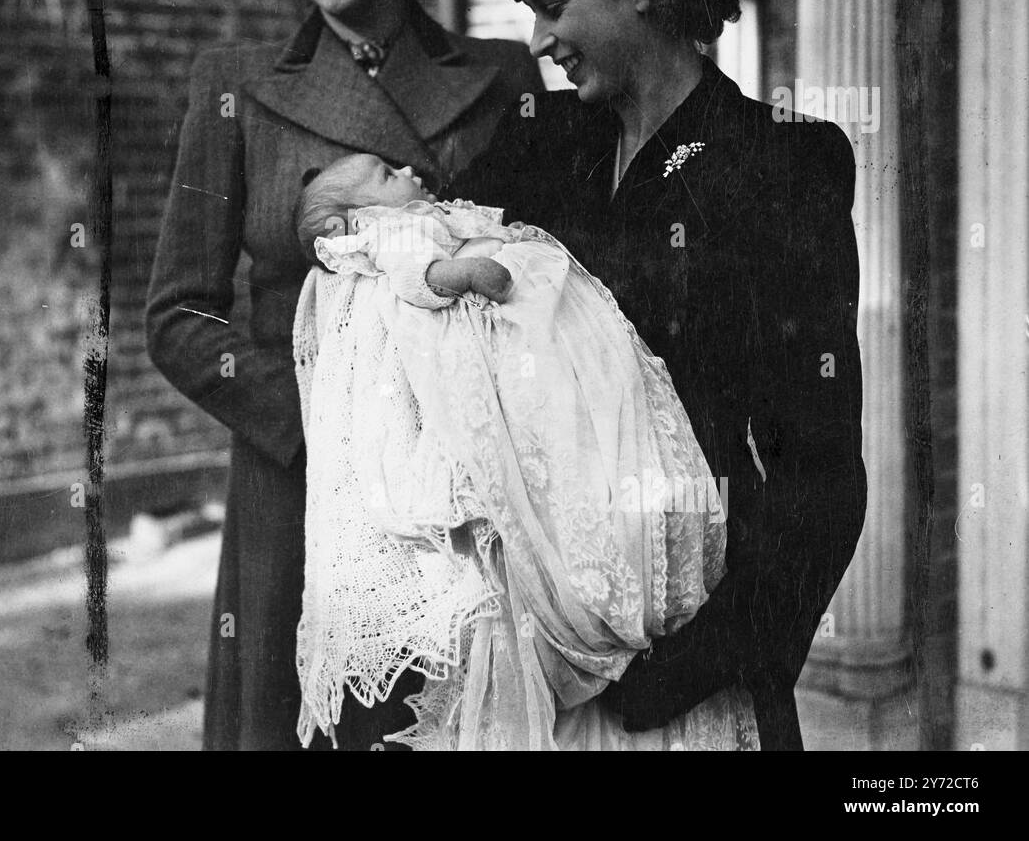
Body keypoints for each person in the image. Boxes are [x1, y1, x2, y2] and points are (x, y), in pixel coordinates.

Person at [447, 0, 868, 751]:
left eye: (553, 4)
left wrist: (677, 681)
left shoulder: (780, 165)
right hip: (534, 666)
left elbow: (824, 481)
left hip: (690, 679)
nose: (540, 38)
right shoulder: (540, 148)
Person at [145, 0, 543, 751]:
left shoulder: (503, 75)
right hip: (303, 469)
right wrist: (317, 418)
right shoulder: (233, 86)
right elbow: (177, 314)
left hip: (461, 467)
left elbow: (534, 268)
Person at [291, 153, 758, 750]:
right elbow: (414, 272)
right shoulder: (389, 237)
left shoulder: (428, 217)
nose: (406, 171)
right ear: (343, 226)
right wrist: (461, 275)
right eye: (386, 175)